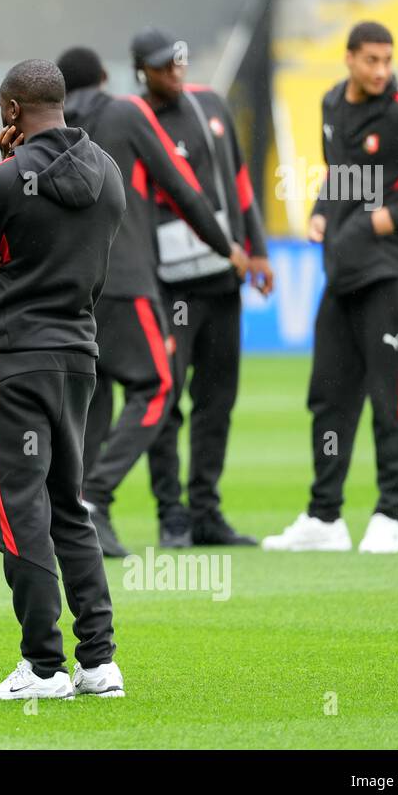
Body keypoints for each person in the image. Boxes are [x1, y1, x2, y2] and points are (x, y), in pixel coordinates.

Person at [0, 59, 127, 700]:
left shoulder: (2, 179)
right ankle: (98, 662)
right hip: (77, 353)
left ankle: (43, 667)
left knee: (17, 511)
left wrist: (1, 223)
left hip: (11, 357)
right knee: (68, 506)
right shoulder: (108, 173)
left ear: (13, 111)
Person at [265, 20, 398, 553]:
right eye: (371, 60)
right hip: (343, 273)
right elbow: (340, 174)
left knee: (391, 398)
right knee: (328, 397)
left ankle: (390, 515)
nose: (382, 70)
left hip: (393, 274)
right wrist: (319, 213)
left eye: (388, 60)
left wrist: (393, 217)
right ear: (349, 59)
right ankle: (325, 518)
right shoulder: (332, 103)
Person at [58, 45, 247, 556]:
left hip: (72, 285)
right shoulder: (126, 113)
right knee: (159, 387)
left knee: (93, 405)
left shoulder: (49, 128)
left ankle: (81, 516)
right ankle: (95, 497)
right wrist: (227, 246)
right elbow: (183, 189)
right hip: (128, 277)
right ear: (106, 75)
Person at [131, 28, 272, 548]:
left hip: (222, 281)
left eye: (178, 63)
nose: (174, 72)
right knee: (165, 402)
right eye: (162, 66)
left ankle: (207, 512)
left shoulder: (210, 103)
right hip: (170, 289)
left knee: (217, 399)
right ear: (140, 71)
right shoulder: (135, 120)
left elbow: (238, 182)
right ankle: (172, 515)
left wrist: (256, 248)